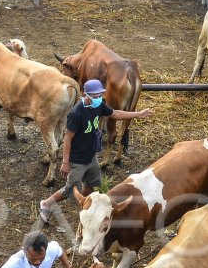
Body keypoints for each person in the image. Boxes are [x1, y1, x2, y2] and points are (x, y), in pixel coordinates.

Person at [39, 79, 154, 219]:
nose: (98, 98)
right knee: (70, 189)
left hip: (91, 155)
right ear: (85, 95)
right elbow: (67, 138)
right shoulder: (76, 113)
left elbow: (115, 114)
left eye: (100, 95)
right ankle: (46, 203)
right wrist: (65, 162)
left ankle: (87, 209)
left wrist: (139, 114)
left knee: (90, 184)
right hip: (78, 159)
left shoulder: (99, 105)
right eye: (94, 96)